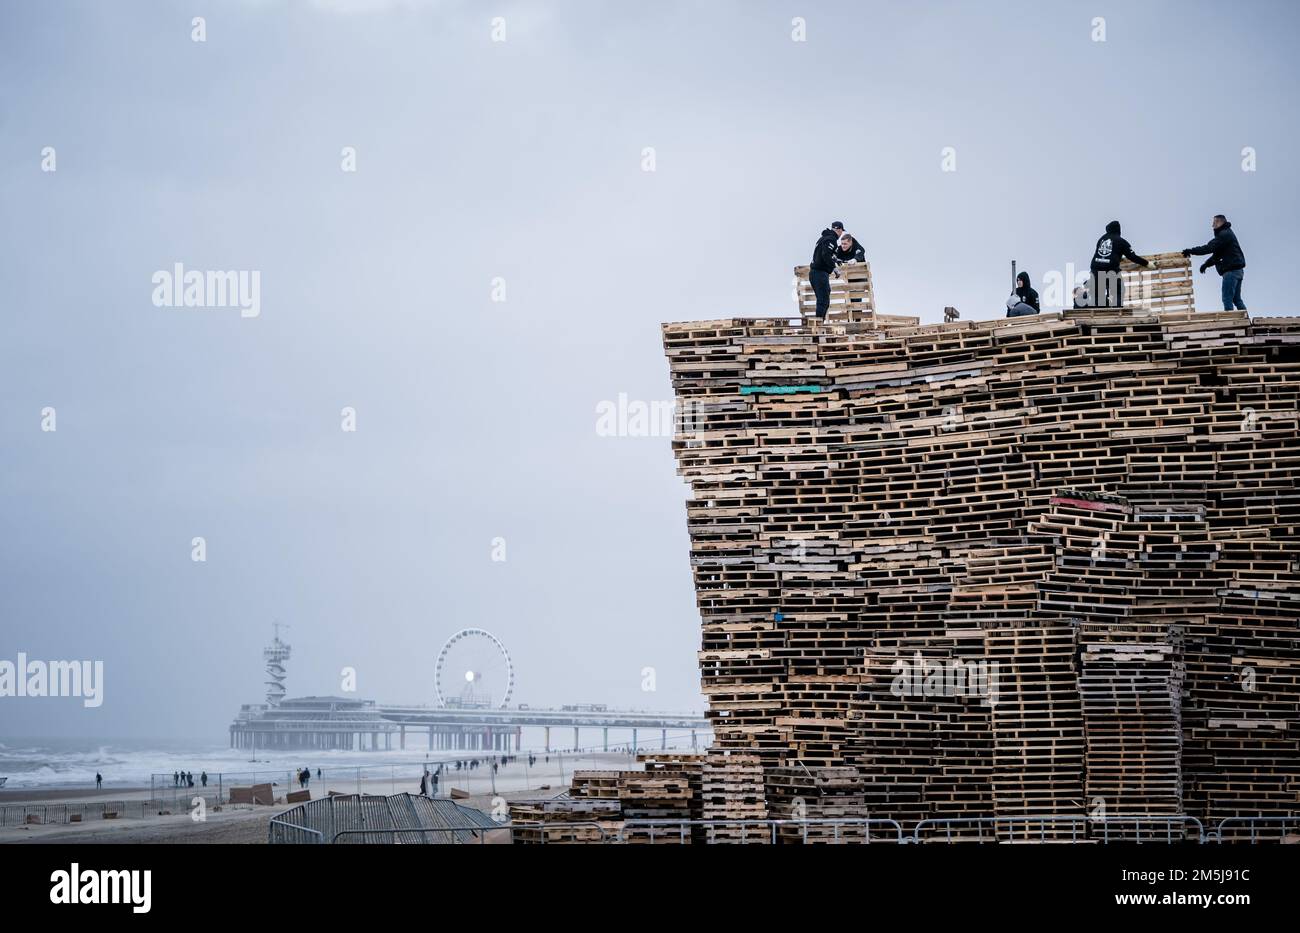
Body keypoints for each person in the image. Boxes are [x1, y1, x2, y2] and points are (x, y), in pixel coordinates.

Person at [1182, 214, 1246, 310]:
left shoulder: (1224, 235)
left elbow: (1208, 248)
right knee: (1236, 299)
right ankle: (1245, 319)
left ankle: (1232, 321)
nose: (1212, 226)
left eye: (1214, 223)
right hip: (1237, 270)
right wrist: (1206, 264)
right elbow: (1217, 255)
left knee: (1227, 298)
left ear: (1220, 222)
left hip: (1231, 272)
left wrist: (1191, 251)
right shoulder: (1226, 234)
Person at [1089, 220, 1149, 308]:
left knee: (1099, 295)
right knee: (1118, 291)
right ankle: (1117, 312)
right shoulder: (1121, 241)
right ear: (1119, 230)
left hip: (1096, 268)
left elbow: (1106, 253)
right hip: (1110, 269)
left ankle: (1099, 314)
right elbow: (1132, 256)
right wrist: (1146, 263)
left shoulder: (1101, 239)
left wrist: (1117, 257)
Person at [808, 225, 840, 319]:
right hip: (819, 273)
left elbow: (825, 255)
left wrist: (835, 260)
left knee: (823, 299)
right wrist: (834, 267)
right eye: (841, 231)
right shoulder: (831, 239)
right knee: (823, 301)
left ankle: (819, 324)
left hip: (815, 273)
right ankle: (818, 326)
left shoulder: (823, 238)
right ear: (838, 230)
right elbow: (826, 255)